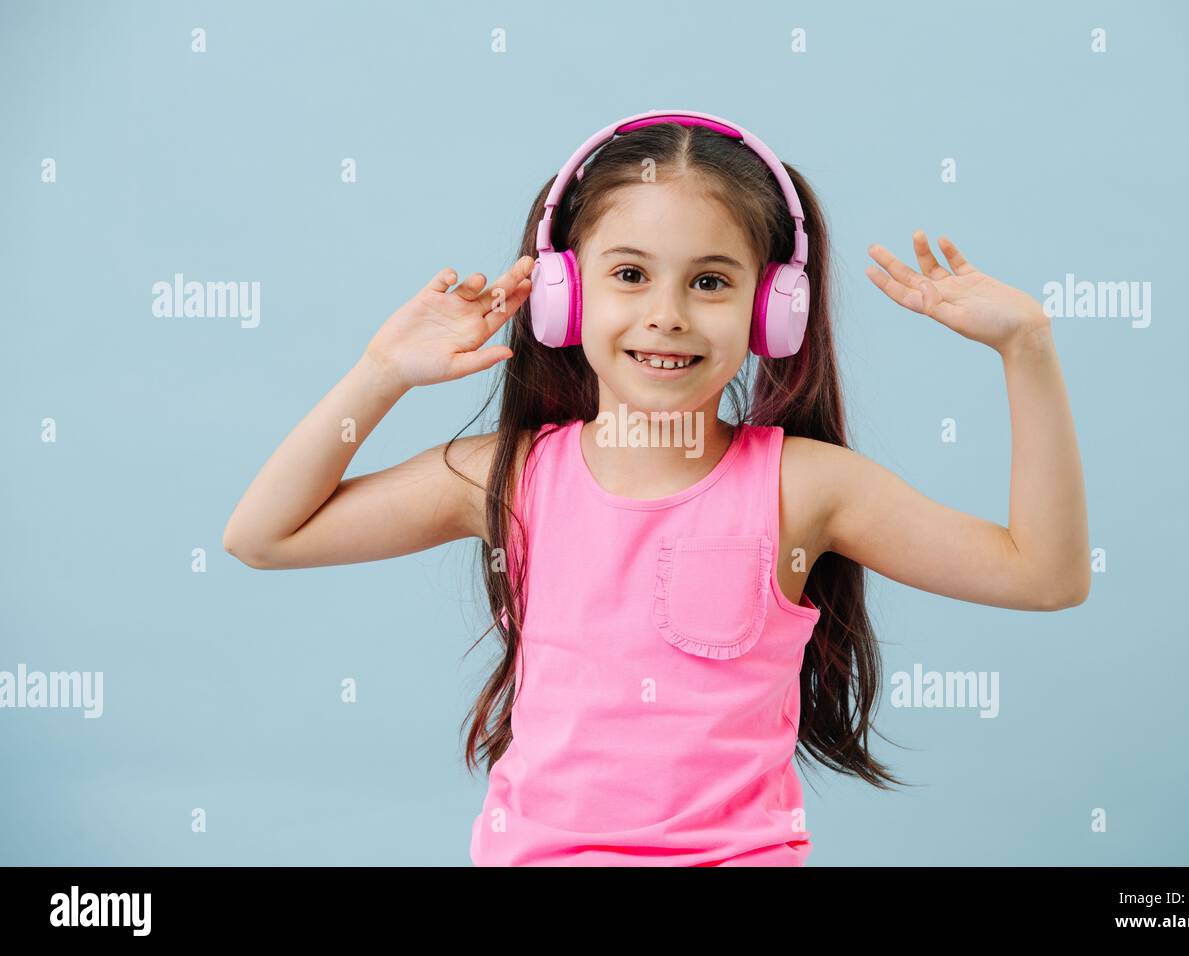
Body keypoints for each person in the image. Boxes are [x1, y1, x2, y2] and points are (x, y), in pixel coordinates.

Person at [222, 110, 1090, 866]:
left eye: (710, 282)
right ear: (562, 296)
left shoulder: (807, 487)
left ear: (769, 311)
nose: (667, 313)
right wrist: (381, 373)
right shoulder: (510, 474)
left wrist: (1028, 348)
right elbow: (265, 536)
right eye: (630, 274)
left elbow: (1043, 576)